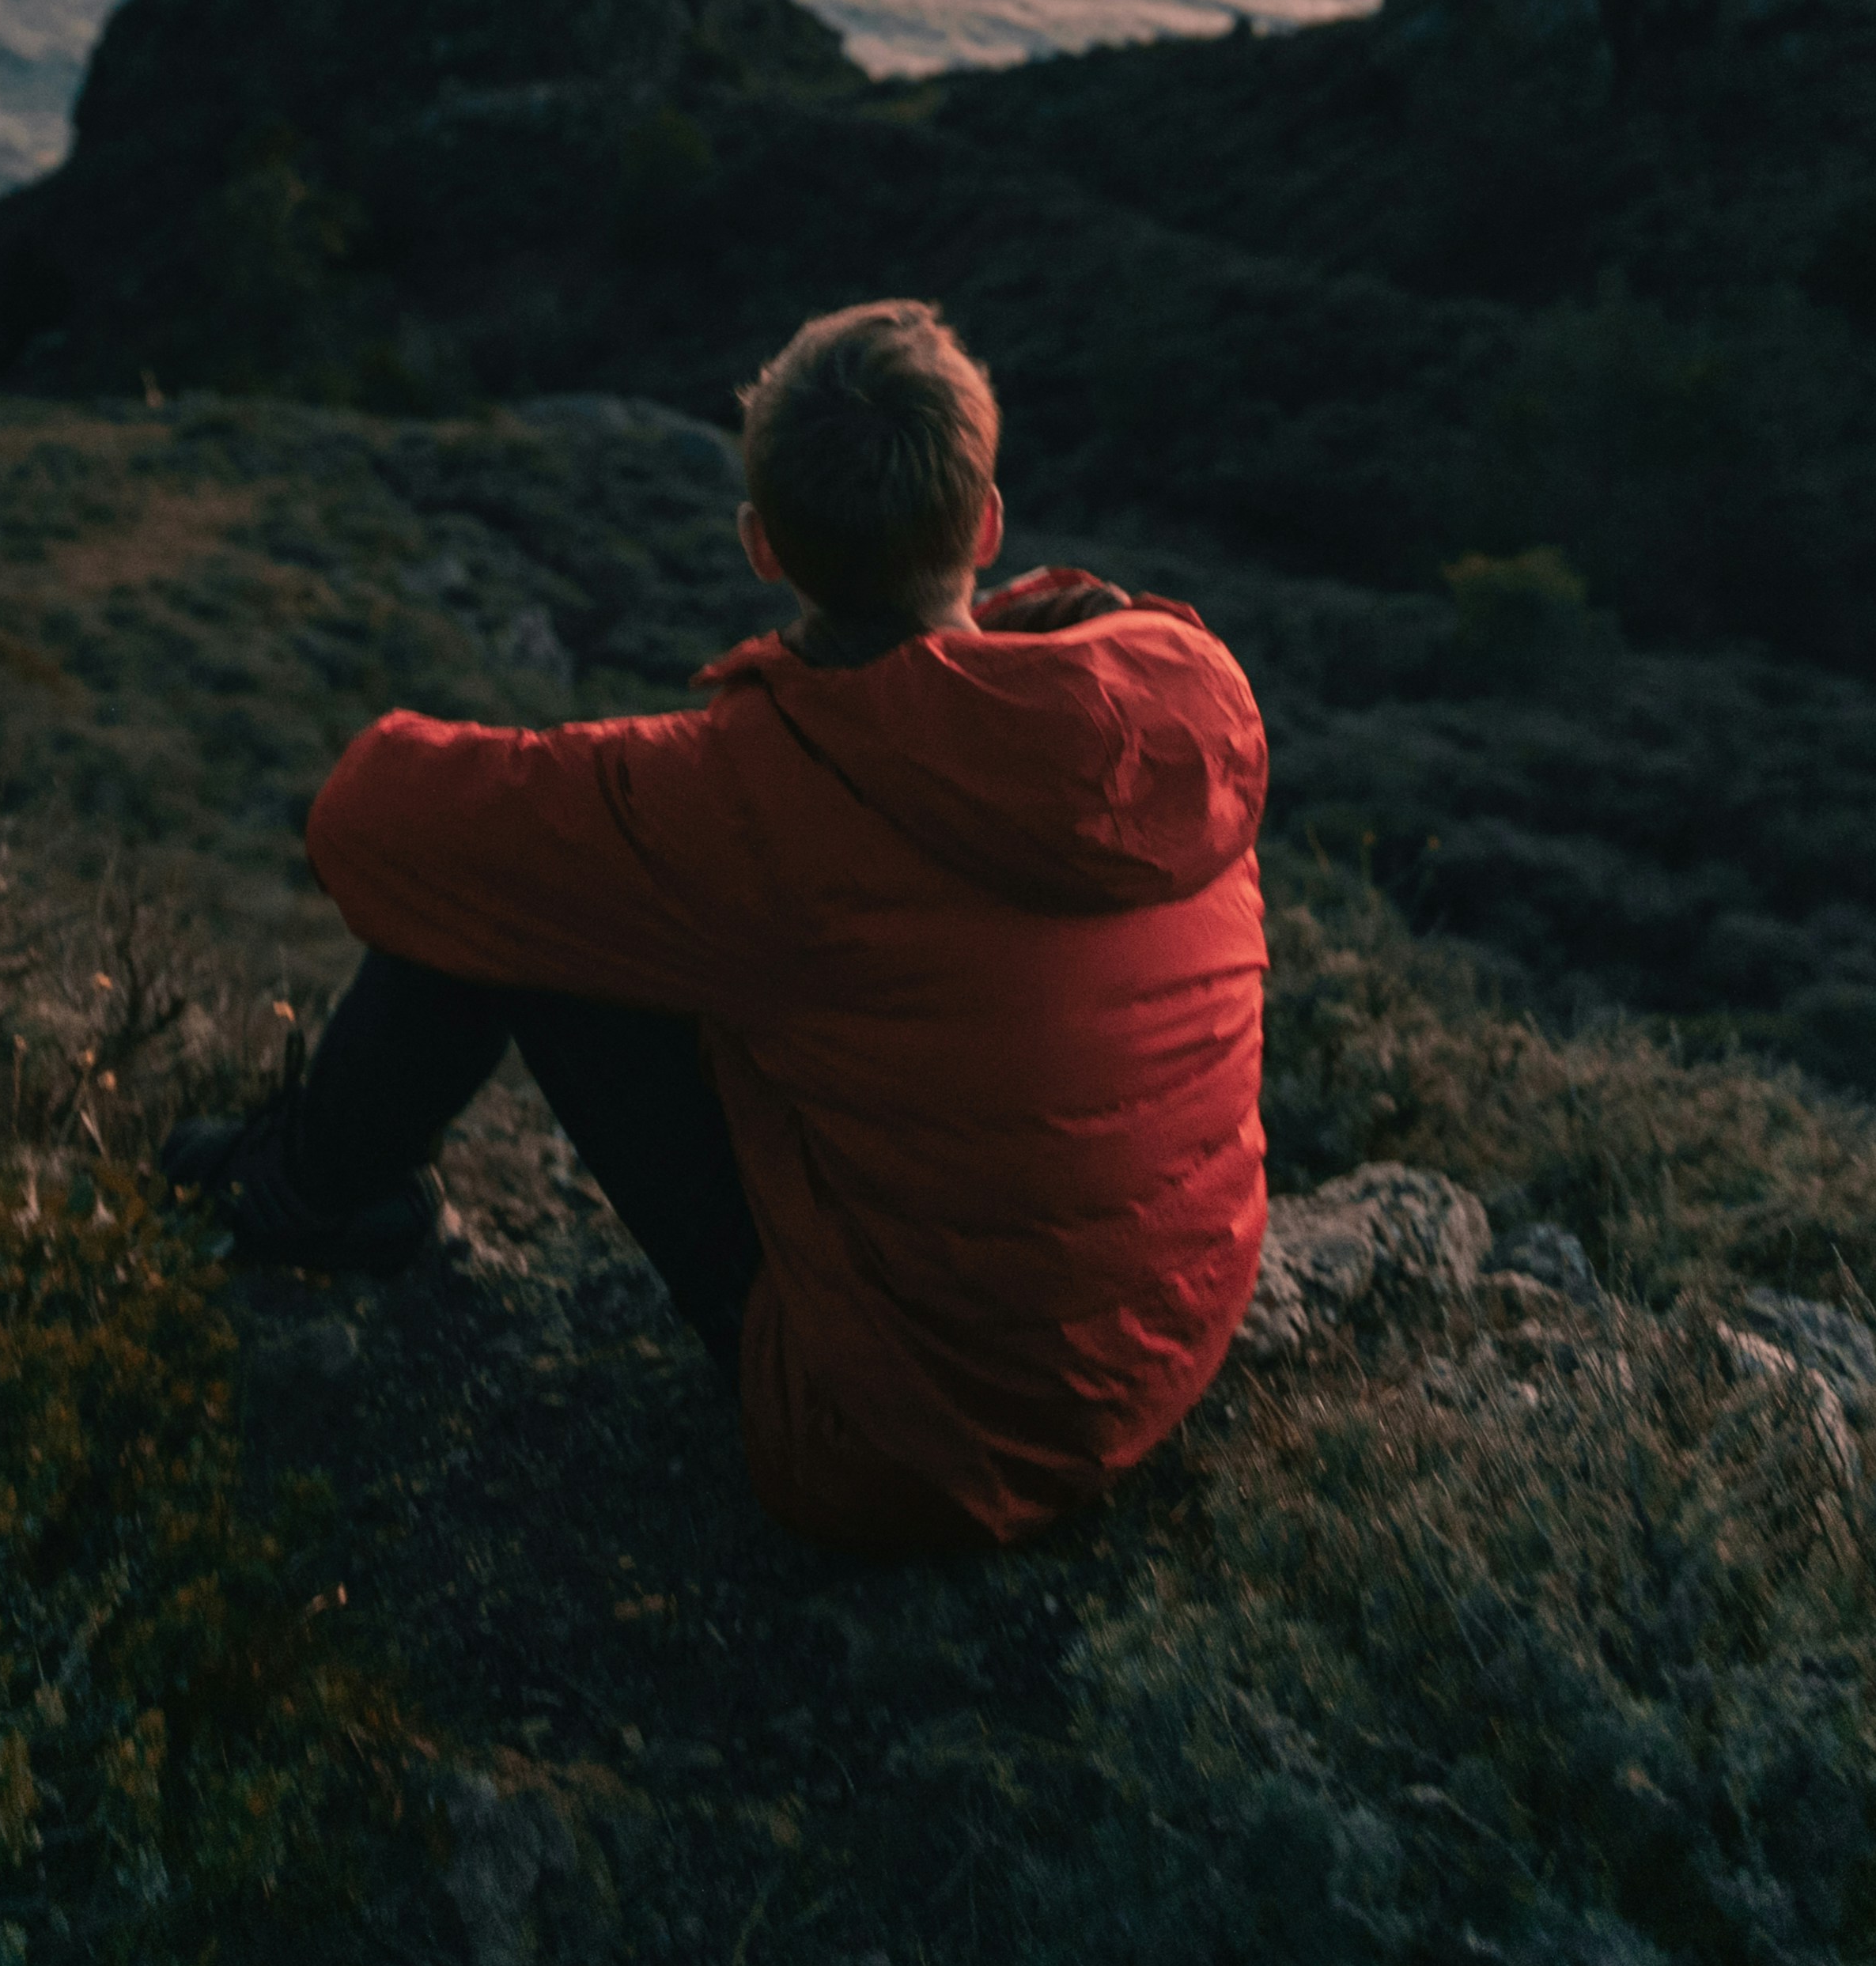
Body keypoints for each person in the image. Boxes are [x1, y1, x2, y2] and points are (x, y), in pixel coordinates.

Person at [166, 298, 1268, 1556]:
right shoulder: (1172, 700)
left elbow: (367, 818)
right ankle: (318, 1190)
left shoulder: (764, 793)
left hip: (900, 1444)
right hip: (1164, 1345)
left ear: (761, 545)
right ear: (986, 523)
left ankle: (312, 1197)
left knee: (517, 877)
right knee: (638, 901)